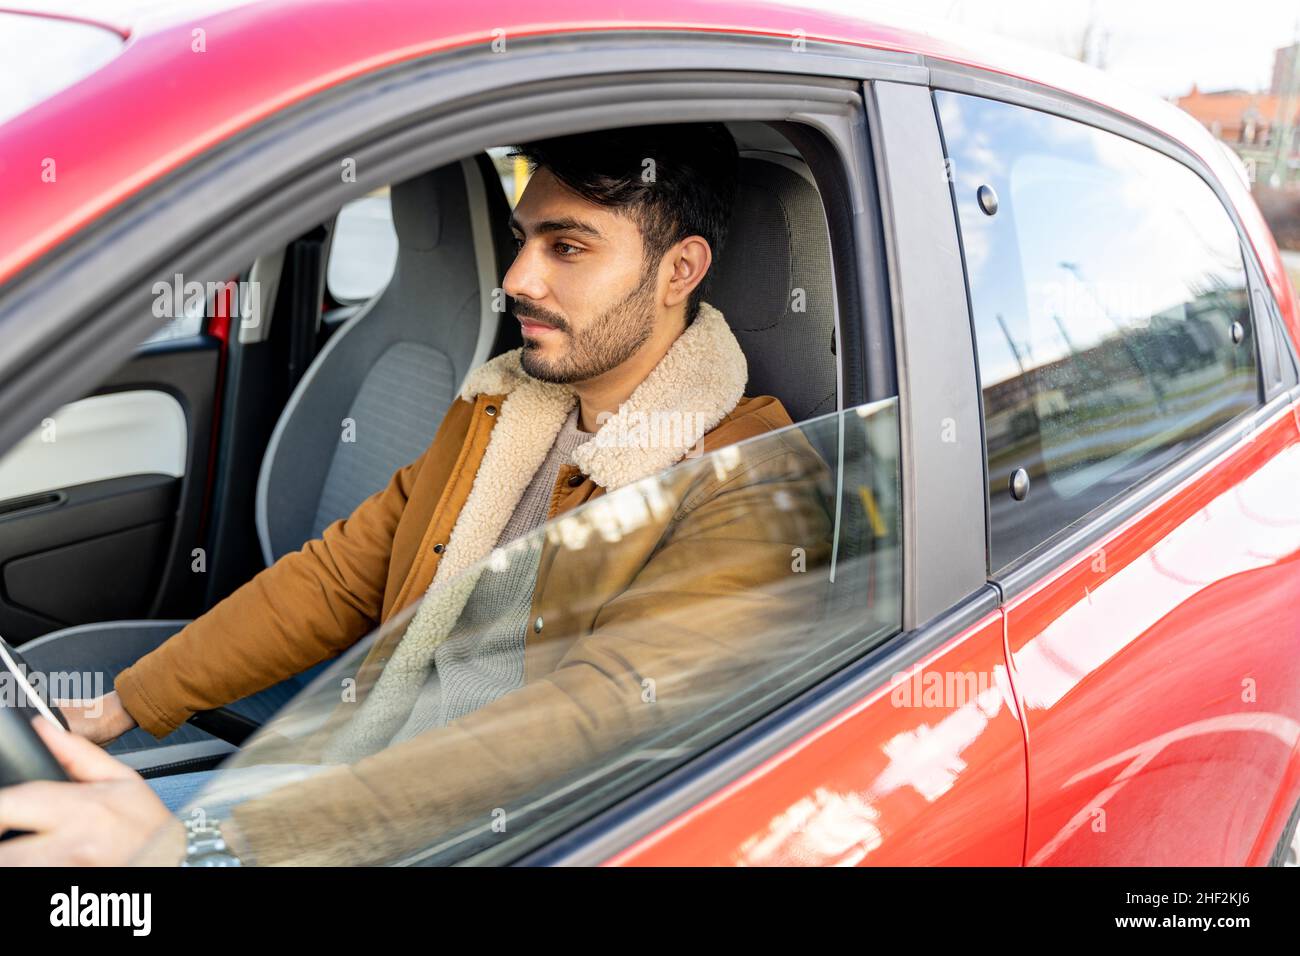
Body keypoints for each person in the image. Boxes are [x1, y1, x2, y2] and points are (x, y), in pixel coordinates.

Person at [0, 123, 833, 866]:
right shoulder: (500, 408)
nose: (517, 279)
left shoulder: (750, 482)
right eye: (522, 240)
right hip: (360, 771)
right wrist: (121, 706)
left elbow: (586, 732)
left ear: (679, 270)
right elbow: (335, 577)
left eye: (566, 248)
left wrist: (206, 848)